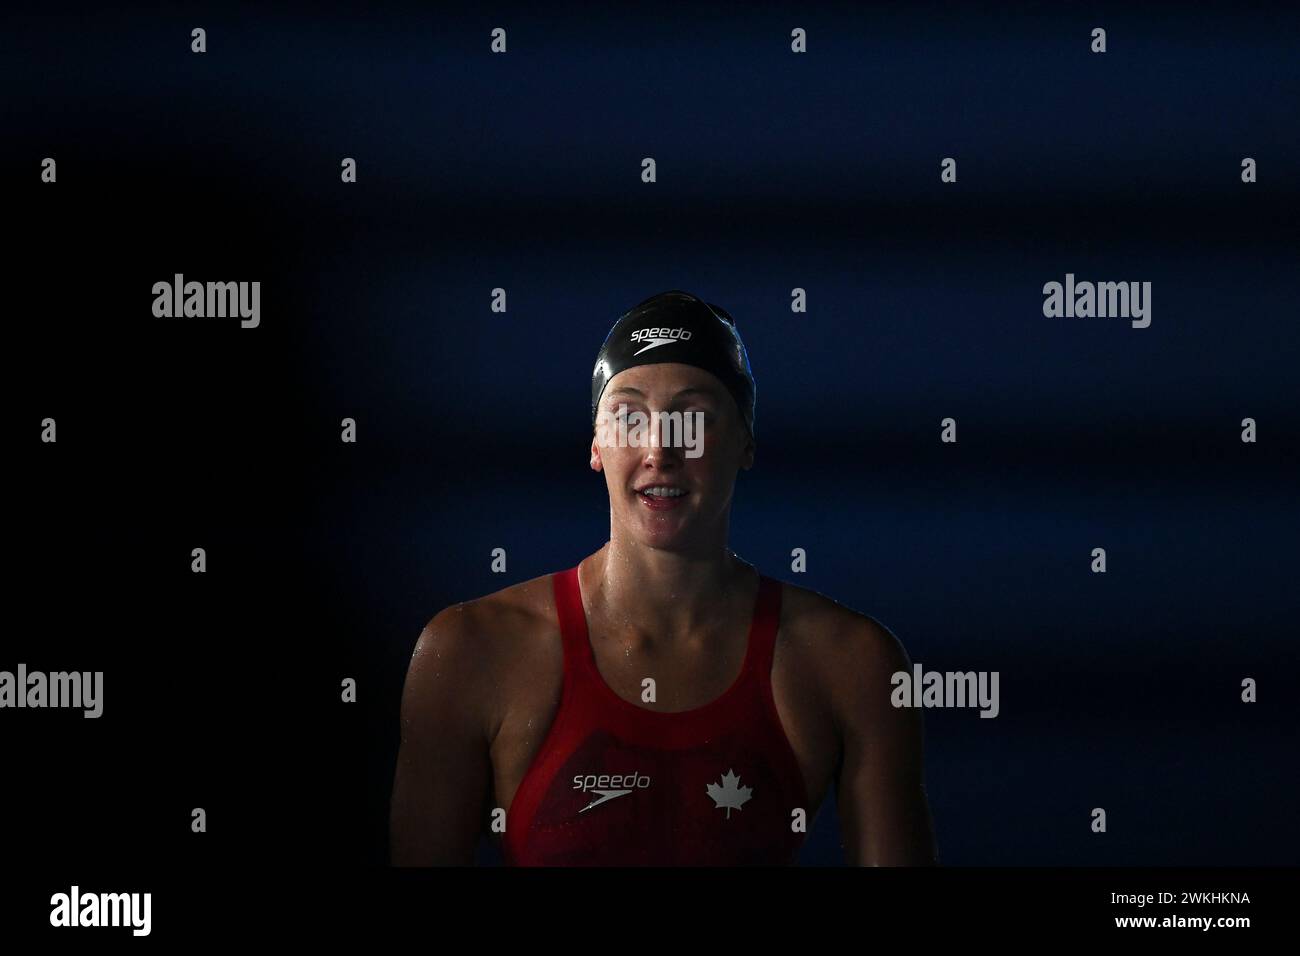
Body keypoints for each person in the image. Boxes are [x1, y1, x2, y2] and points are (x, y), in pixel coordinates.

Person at [390, 290, 938, 865]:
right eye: (628, 417)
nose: (659, 449)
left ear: (745, 441)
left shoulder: (849, 662)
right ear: (597, 445)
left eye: (694, 418)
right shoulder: (471, 651)